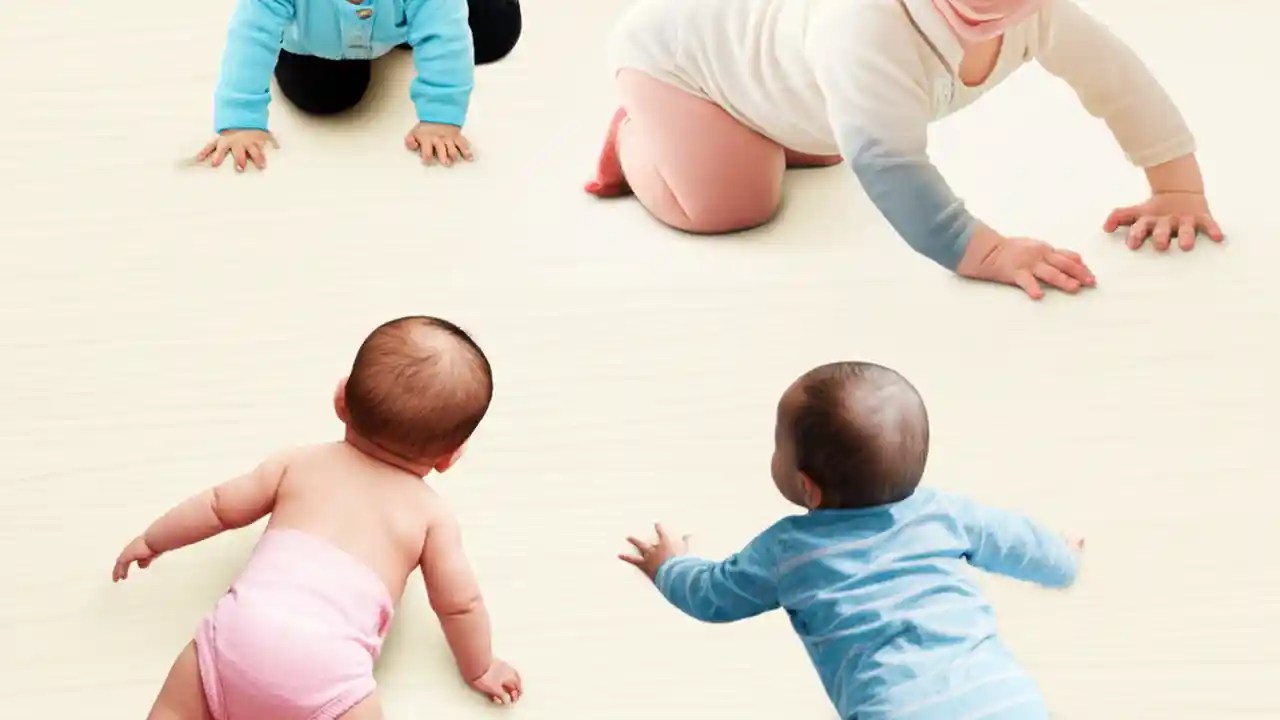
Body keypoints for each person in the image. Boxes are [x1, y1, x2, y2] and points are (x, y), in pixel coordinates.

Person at [586, 0, 1226, 300]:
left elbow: (1116, 78)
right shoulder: (866, 24)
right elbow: (888, 162)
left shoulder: (1037, 13)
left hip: (780, 88)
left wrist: (1177, 186)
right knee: (734, 203)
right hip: (681, 66)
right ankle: (636, 135)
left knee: (837, 137)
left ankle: (748, 133)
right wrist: (984, 250)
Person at [620, 361, 1084, 719]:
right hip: (1005, 701)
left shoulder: (788, 550)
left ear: (808, 487)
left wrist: (668, 566)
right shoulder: (944, 513)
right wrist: (1064, 559)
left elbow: (714, 595)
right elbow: (1020, 545)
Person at [113, 316, 522, 719]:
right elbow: (460, 605)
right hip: (326, 674)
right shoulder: (431, 516)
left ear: (341, 399)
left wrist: (153, 539)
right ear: (449, 458)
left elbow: (218, 507)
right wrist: (481, 667)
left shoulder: (299, 464)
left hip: (239, 638)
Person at [196, 0, 522, 172]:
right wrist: (241, 121)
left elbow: (447, 37)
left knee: (496, 29)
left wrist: (440, 117)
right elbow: (250, 34)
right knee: (322, 96)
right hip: (315, 39)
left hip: (398, 21)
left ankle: (411, 28)